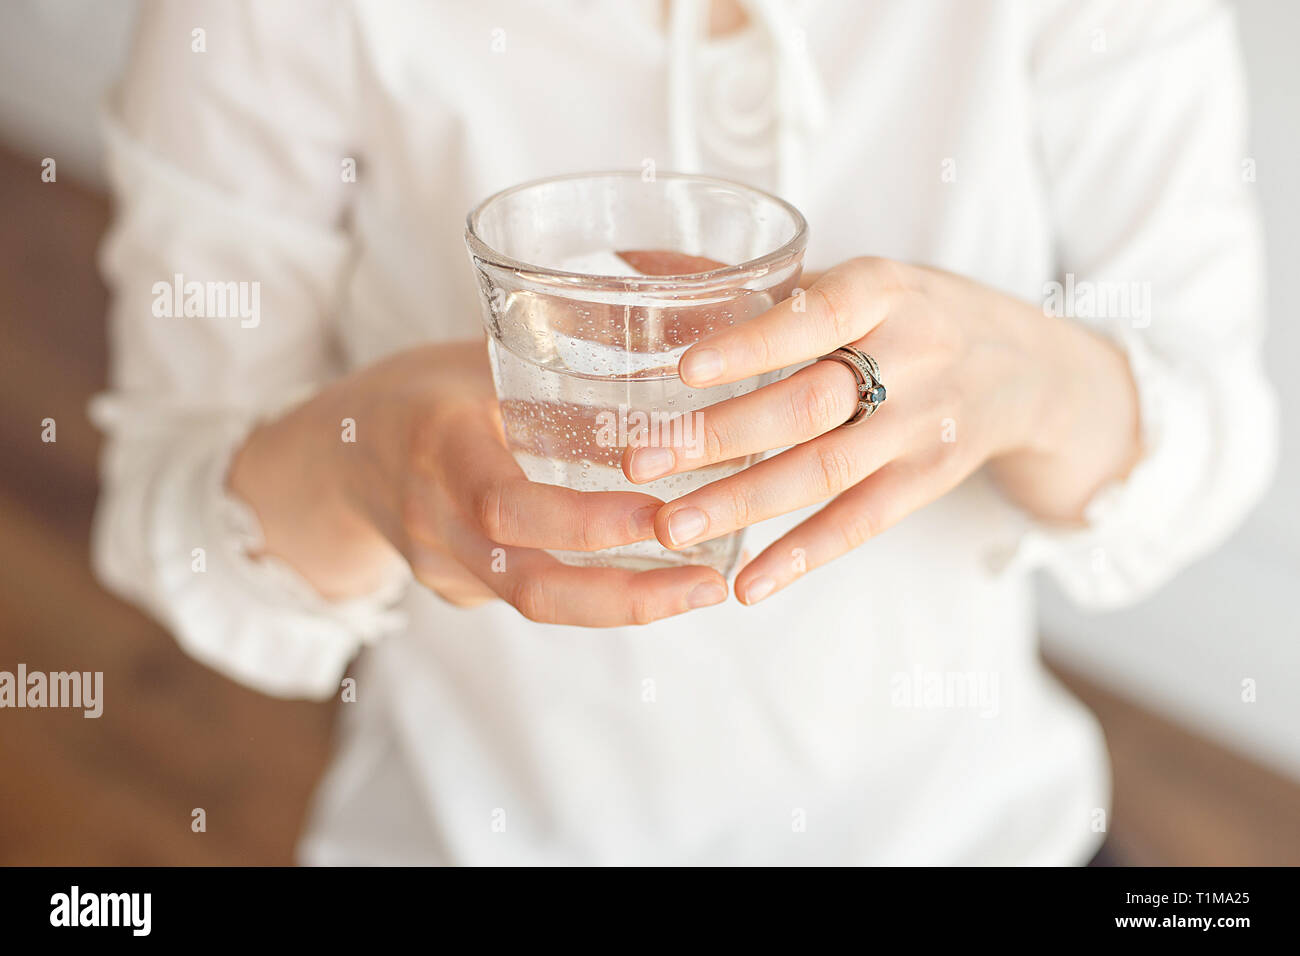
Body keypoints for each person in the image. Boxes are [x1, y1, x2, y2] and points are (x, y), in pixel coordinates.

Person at [91, 0, 1277, 865]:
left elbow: (1216, 428)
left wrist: (1027, 380)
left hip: (982, 831)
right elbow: (168, 515)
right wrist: (360, 459)